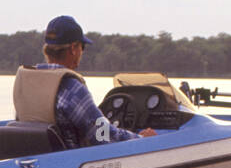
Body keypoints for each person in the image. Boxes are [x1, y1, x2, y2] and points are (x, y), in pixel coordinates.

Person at [12, 15, 155, 147]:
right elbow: (102, 135)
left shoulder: (28, 83)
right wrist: (141, 138)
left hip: (36, 160)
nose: (82, 52)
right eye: (82, 47)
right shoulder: (70, 87)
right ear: (74, 49)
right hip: (70, 163)